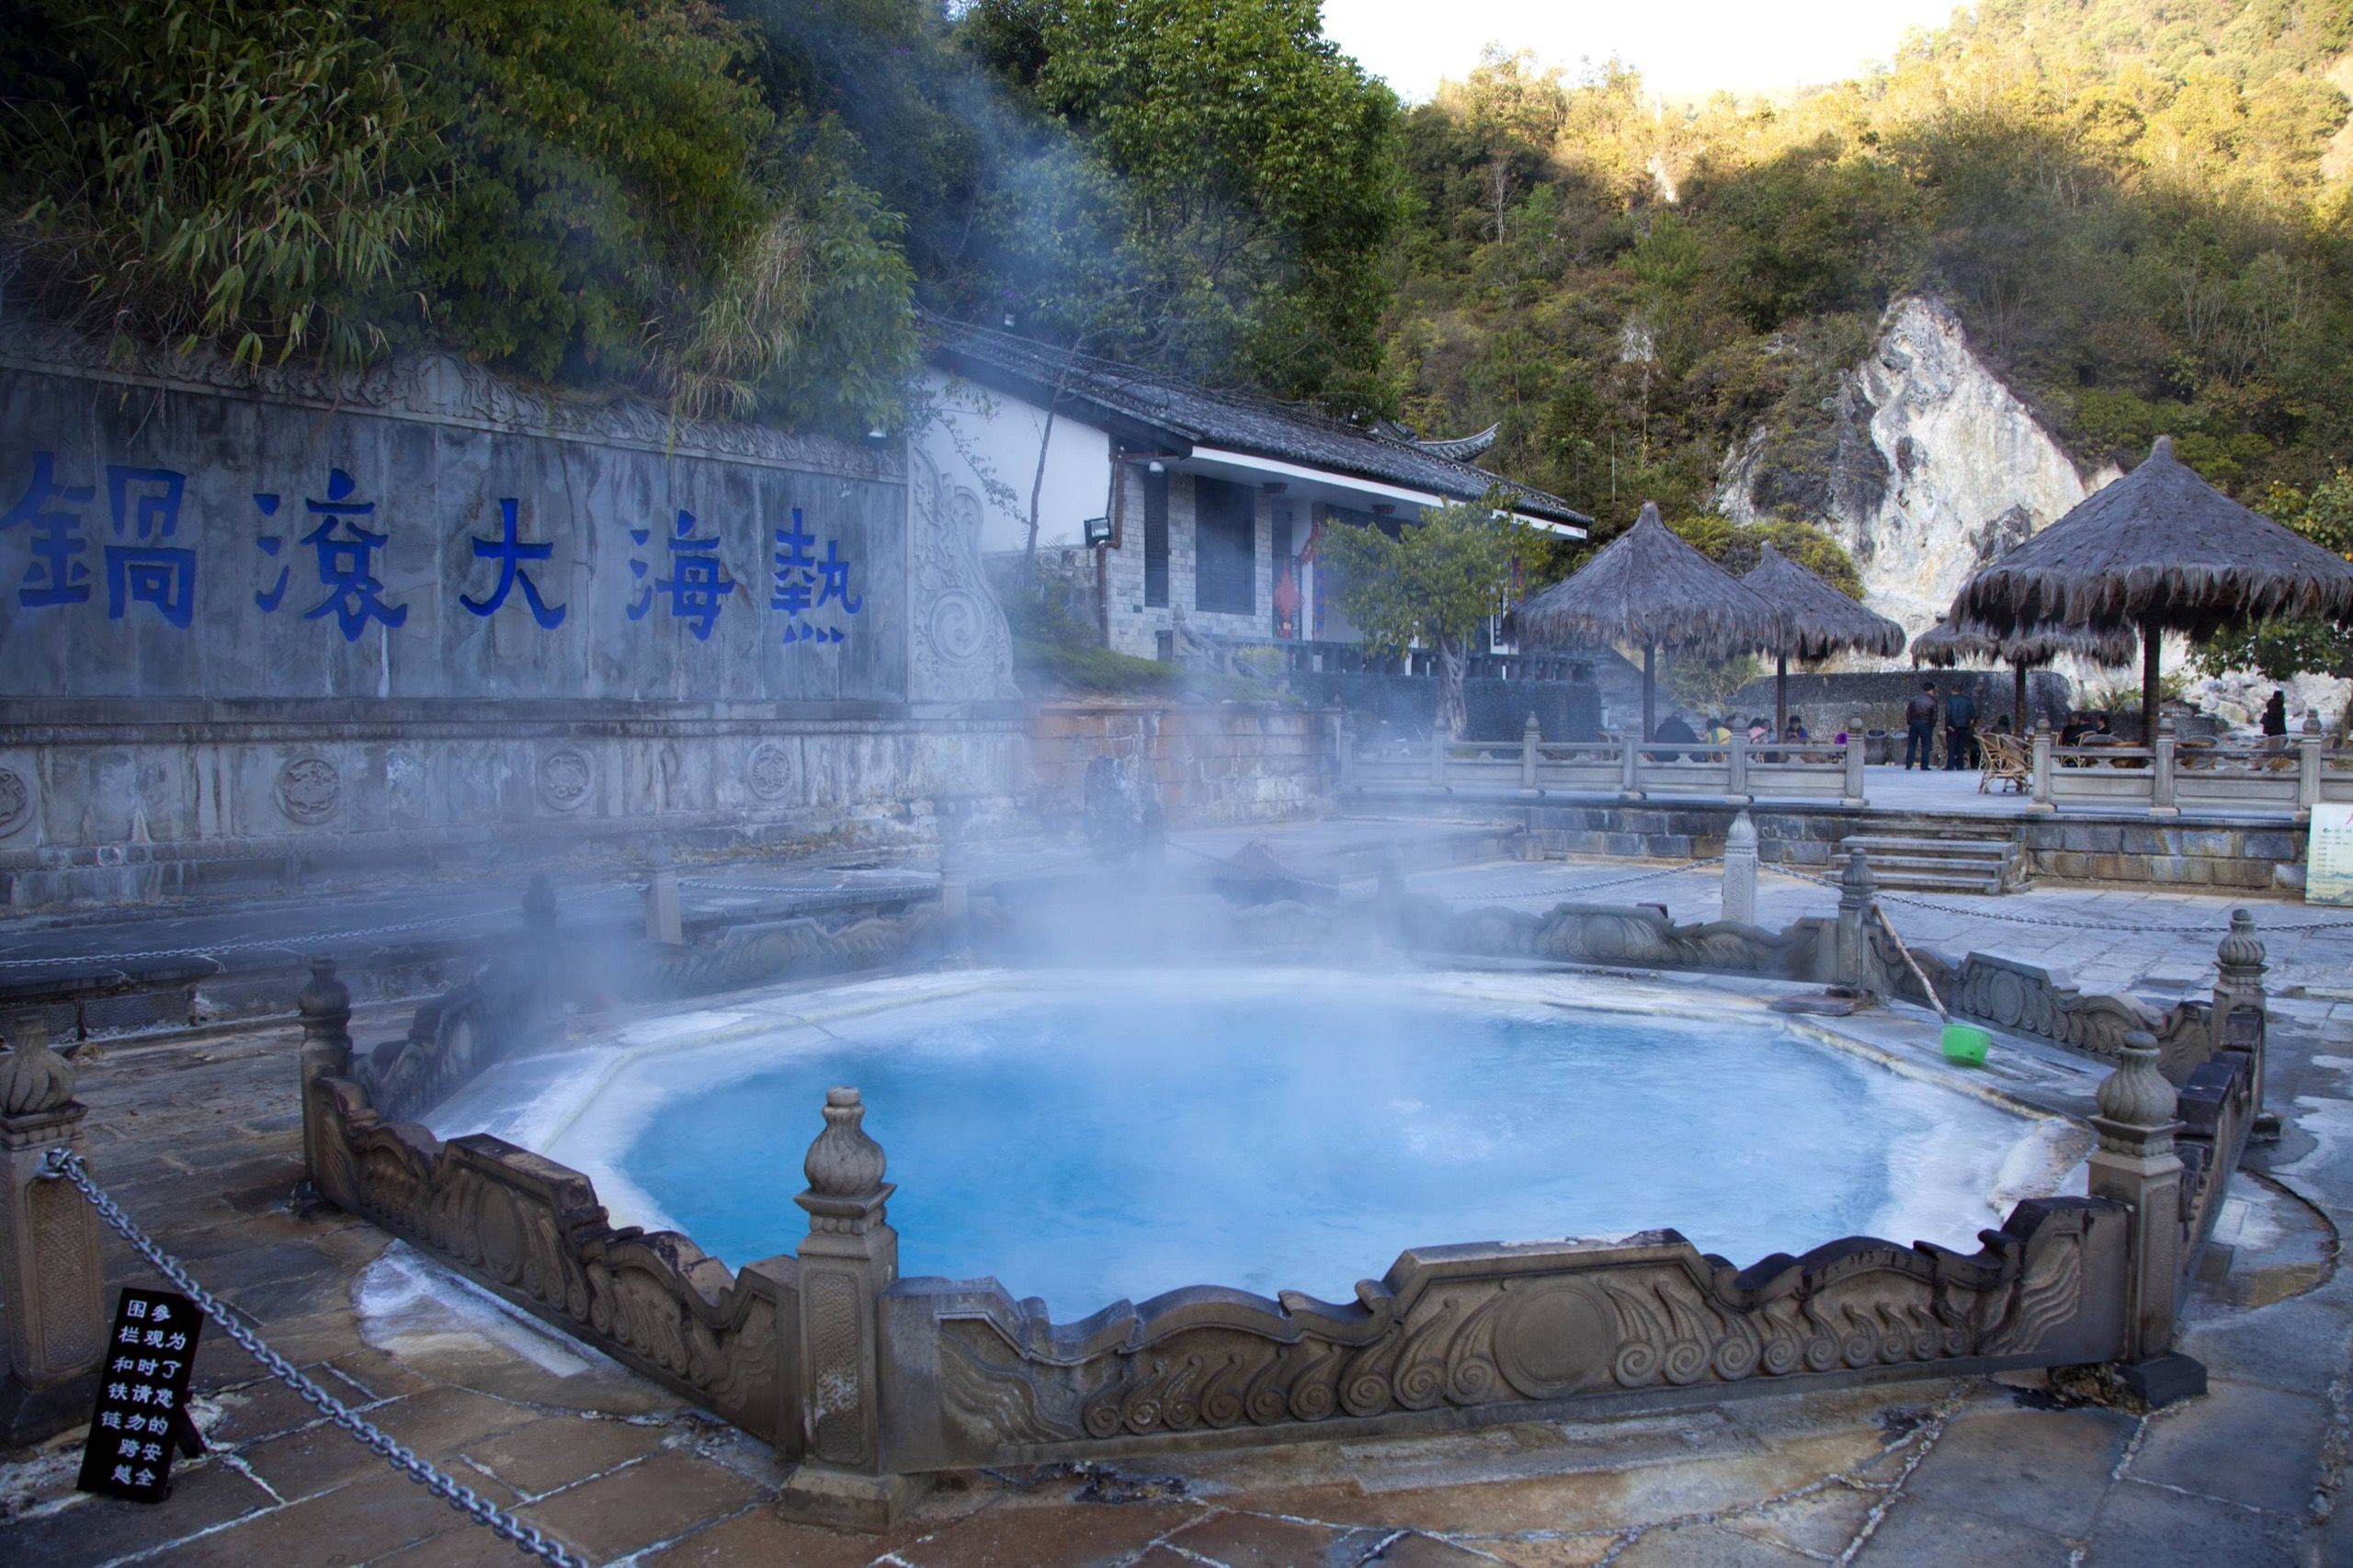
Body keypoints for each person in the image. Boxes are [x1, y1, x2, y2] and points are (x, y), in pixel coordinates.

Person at [1904, 680, 1938, 770]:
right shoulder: (1932, 701)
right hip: (1926, 724)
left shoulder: (1914, 699)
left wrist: (1910, 722)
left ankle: (1908, 764)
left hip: (1914, 723)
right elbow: (1934, 715)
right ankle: (1924, 765)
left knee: (1912, 745)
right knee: (1926, 746)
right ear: (1931, 690)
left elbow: (1908, 712)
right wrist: (1932, 725)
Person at [1942, 685, 1977, 770]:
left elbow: (1948, 713)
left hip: (1953, 726)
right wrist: (1969, 721)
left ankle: (1950, 765)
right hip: (1964, 726)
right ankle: (1960, 765)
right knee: (1961, 746)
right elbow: (1973, 713)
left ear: (1953, 691)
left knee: (1951, 746)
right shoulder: (1968, 700)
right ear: (1961, 691)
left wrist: (1948, 725)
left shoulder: (1950, 700)